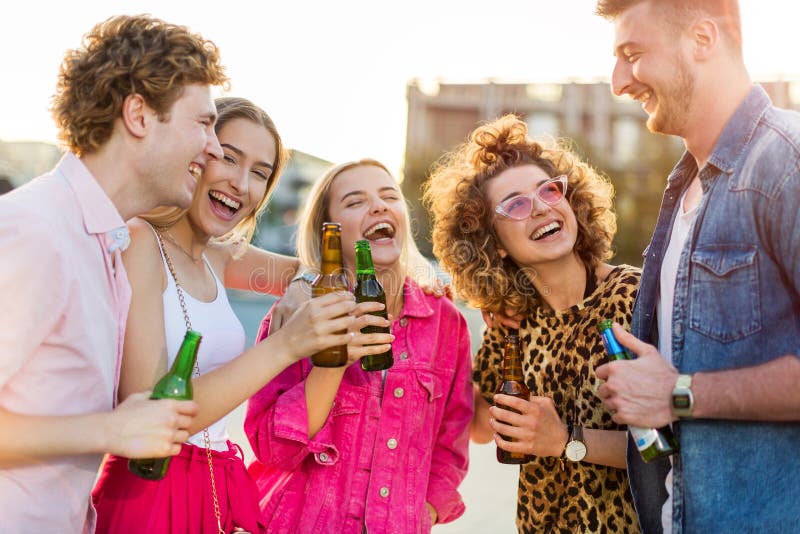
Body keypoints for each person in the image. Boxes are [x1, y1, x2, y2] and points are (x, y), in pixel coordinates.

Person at [90, 97, 393, 533]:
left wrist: (302, 286)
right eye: (229, 158)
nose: (241, 183)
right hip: (150, 492)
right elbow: (150, 417)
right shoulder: (141, 242)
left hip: (211, 484)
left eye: (259, 173)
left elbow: (313, 265)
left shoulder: (221, 257)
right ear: (196, 155)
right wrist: (286, 346)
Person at [0, 15, 228, 532]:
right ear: (139, 115)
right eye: (203, 123)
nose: (213, 148)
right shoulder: (35, 231)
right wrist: (114, 429)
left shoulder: (103, 243)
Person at [593, 1, 800, 532]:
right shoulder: (684, 186)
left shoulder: (787, 163)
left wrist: (678, 393)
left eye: (632, 55)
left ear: (703, 38)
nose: (619, 82)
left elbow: (674, 390)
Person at [424, 114, 641, 533]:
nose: (541, 205)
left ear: (571, 201)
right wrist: (436, 325)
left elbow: (673, 447)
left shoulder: (638, 296)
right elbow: (484, 428)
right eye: (516, 204)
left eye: (549, 189)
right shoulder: (513, 323)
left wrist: (565, 441)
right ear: (494, 244)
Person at [244, 159, 473, 533]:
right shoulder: (298, 314)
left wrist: (421, 514)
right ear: (328, 233)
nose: (379, 206)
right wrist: (331, 361)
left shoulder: (446, 323)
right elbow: (273, 449)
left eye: (389, 196)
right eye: (355, 202)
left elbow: (451, 445)